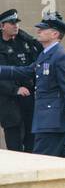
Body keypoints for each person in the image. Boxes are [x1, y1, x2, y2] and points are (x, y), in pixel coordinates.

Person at [0, 14, 65, 158]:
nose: (38, 31)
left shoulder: (61, 57)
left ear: (55, 34)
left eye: (43, 29)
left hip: (52, 120)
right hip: (47, 119)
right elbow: (25, 71)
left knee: (41, 158)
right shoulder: (45, 55)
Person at [0, 8, 40, 152]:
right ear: (2, 26)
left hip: (28, 99)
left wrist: (29, 38)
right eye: (11, 23)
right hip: (9, 102)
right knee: (14, 146)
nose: (15, 25)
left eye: (16, 22)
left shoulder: (25, 42)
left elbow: (40, 57)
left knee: (32, 142)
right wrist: (15, 90)